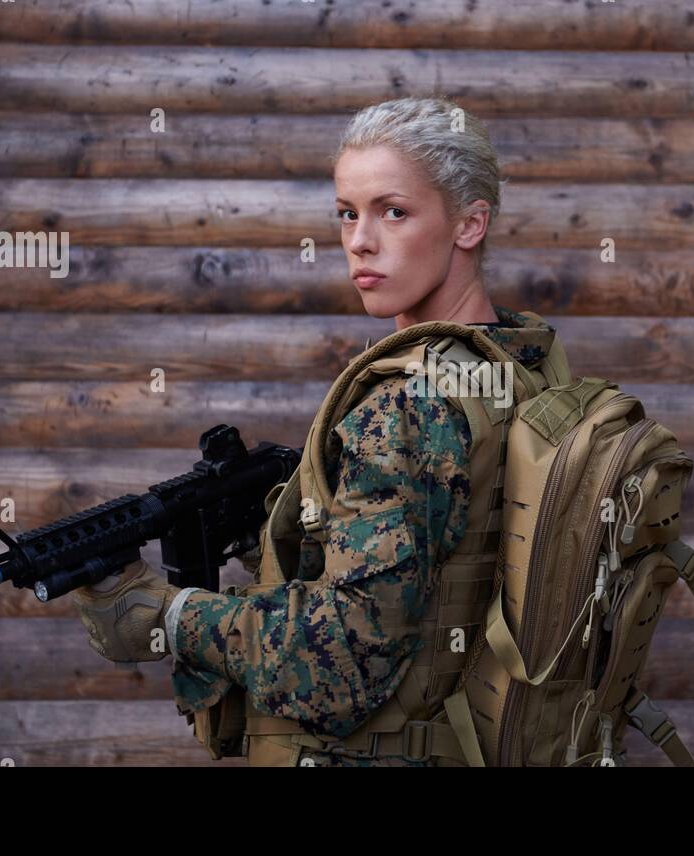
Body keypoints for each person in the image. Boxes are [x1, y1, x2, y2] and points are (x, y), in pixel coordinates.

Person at [73, 96, 569, 765]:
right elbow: (452, 574)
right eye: (347, 214)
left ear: (469, 224)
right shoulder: (526, 359)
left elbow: (343, 664)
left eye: (394, 211)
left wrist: (165, 615)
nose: (360, 240)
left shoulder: (405, 407)